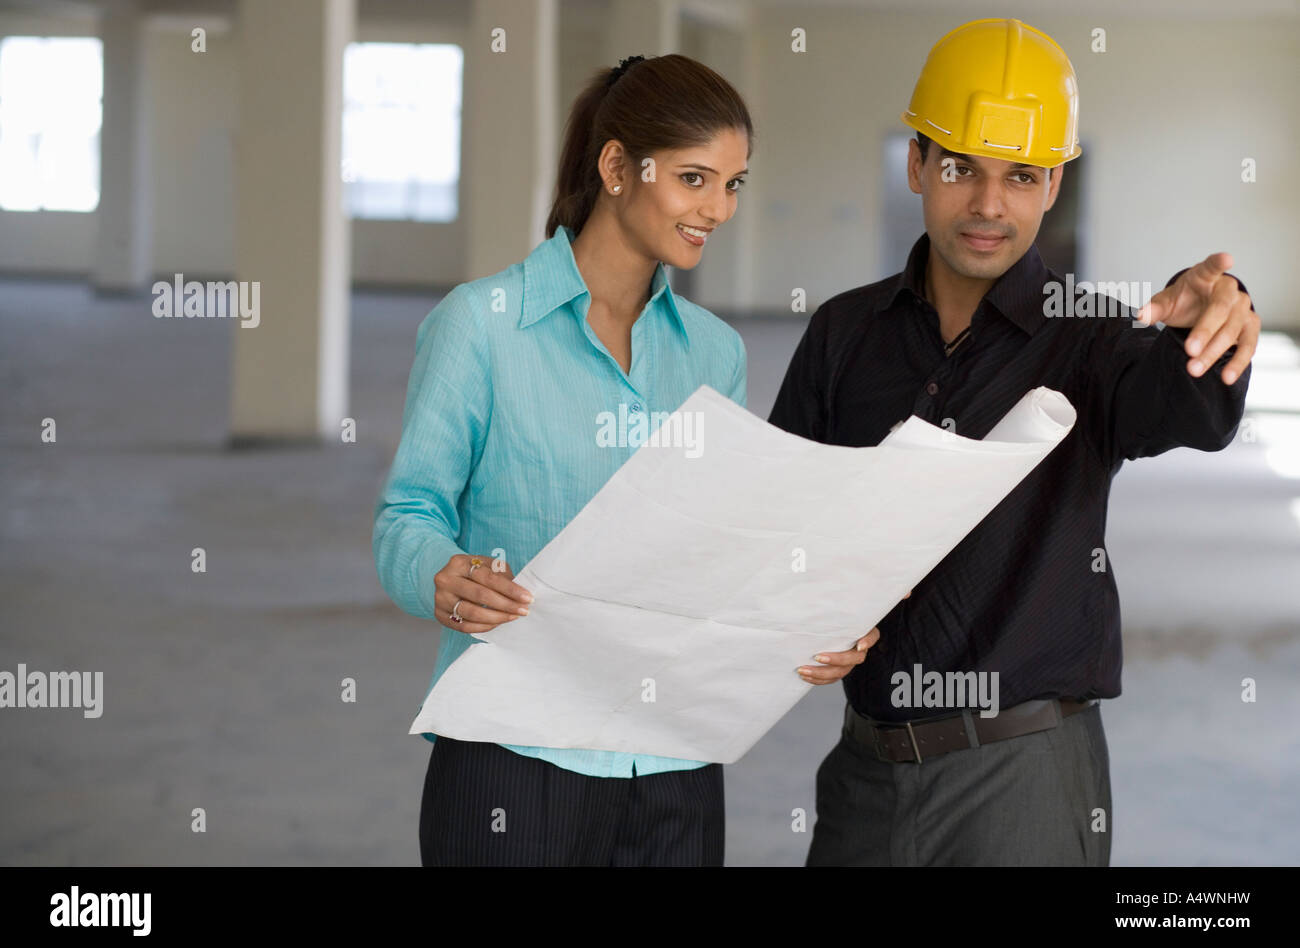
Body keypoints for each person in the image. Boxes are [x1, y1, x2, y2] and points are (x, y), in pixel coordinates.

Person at [768, 18, 1259, 866]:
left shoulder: (1096, 340)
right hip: (864, 773)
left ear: (1053, 186)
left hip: (1023, 781)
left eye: (1020, 176)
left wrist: (1216, 322)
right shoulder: (844, 334)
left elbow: (1190, 410)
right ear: (918, 163)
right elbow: (777, 515)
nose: (989, 204)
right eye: (961, 168)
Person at [373, 53, 876, 867]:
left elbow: (724, 548)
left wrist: (816, 613)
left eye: (734, 184)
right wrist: (438, 572)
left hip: (672, 759)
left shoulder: (714, 353)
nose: (718, 208)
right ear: (616, 166)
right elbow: (408, 515)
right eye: (694, 179)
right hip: (513, 752)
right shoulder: (481, 326)